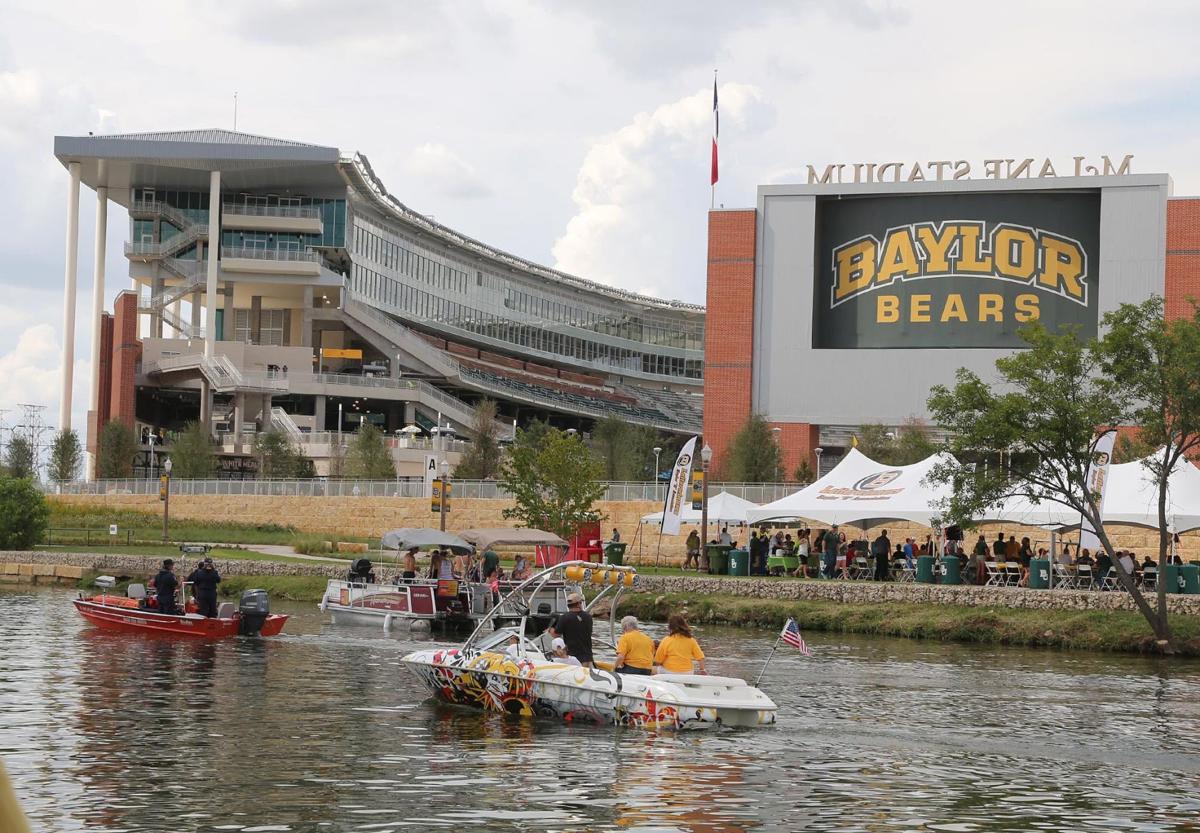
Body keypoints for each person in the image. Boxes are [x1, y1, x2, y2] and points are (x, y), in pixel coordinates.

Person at [549, 592, 593, 666]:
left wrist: (550, 629)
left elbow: (556, 635)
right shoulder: (588, 617)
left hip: (574, 659)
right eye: (581, 602)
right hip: (588, 658)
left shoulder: (564, 617)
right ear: (578, 604)